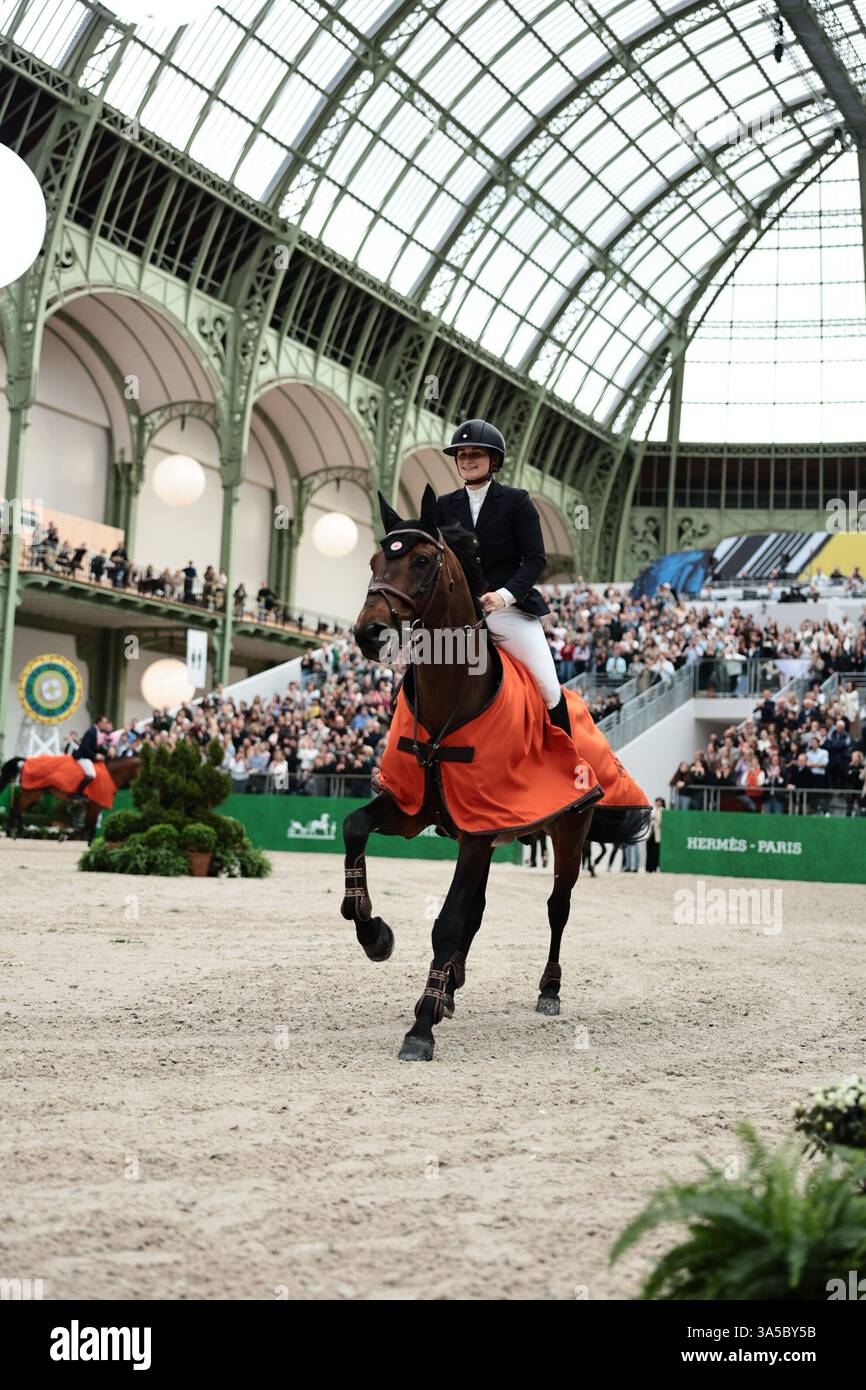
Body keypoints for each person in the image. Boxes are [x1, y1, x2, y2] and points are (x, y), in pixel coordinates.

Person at [433, 418, 572, 734]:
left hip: (507, 611)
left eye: (475, 454)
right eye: (462, 454)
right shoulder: (444, 505)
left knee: (549, 687)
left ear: (493, 460)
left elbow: (536, 559)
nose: (467, 460)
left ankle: (571, 763)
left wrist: (504, 595)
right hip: (460, 613)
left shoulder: (516, 501)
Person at [72, 713, 112, 797]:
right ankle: (77, 793)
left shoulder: (97, 732)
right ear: (99, 723)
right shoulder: (91, 732)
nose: (106, 725)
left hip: (88, 756)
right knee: (91, 774)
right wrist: (95, 756)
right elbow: (85, 748)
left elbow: (96, 747)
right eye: (105, 723)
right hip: (82, 757)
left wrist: (107, 752)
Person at [645, 797, 664, 872]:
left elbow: (662, 823)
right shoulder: (652, 810)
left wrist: (656, 819)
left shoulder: (663, 810)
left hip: (657, 833)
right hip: (650, 832)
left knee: (655, 852)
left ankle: (654, 867)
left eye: (659, 802)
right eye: (657, 802)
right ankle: (648, 868)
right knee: (649, 850)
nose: (658, 803)